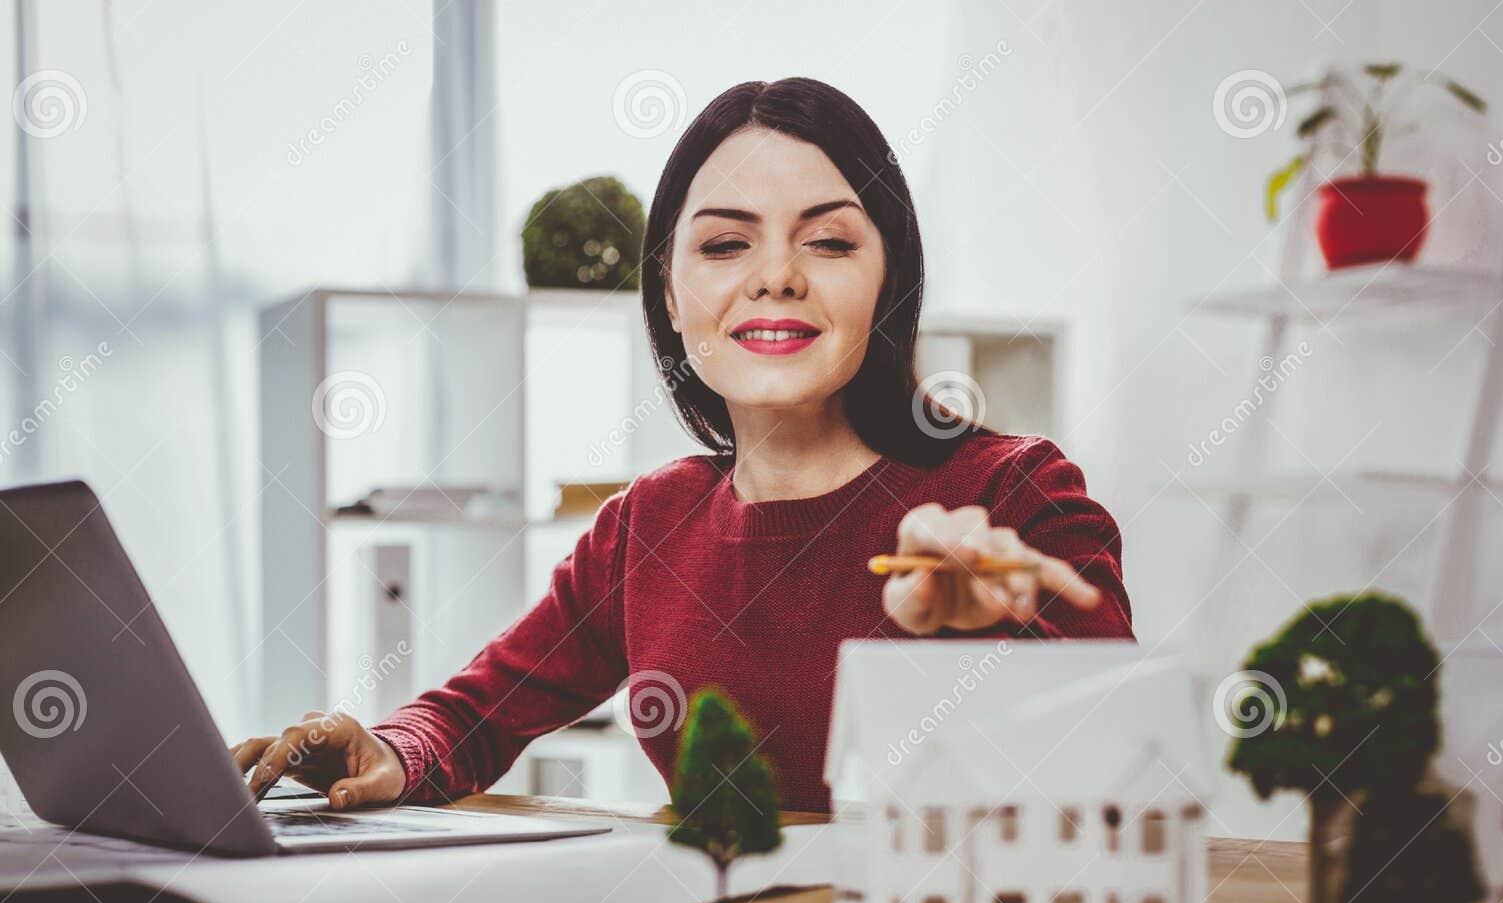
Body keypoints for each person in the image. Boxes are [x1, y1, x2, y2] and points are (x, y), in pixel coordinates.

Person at [234, 77, 1134, 815]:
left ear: (890, 279)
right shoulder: (649, 525)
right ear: (669, 294)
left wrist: (992, 643)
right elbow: (475, 714)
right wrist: (391, 749)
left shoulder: (1013, 494)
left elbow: (1121, 769)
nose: (775, 276)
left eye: (828, 241)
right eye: (725, 243)